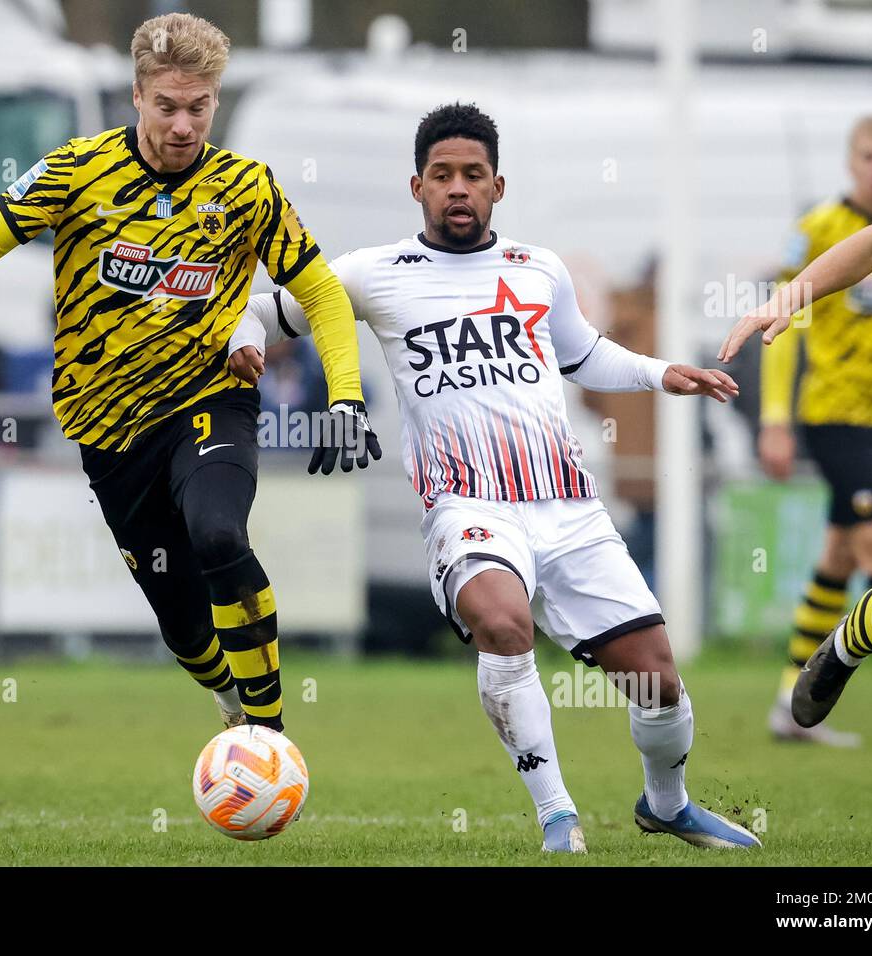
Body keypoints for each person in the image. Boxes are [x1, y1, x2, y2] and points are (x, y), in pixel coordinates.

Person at [229, 103, 757, 852]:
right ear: (417, 186)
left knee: (658, 680)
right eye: (442, 175)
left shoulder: (538, 270)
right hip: (466, 504)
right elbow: (265, 309)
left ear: (497, 186)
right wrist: (244, 342)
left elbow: (582, 355)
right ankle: (557, 816)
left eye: (472, 175)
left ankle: (666, 804)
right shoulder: (372, 272)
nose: (457, 188)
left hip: (567, 506)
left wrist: (659, 372)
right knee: (502, 623)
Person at [0, 13, 378, 732]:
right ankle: (229, 700)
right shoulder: (78, 170)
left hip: (210, 400)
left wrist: (347, 398)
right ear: (137, 96)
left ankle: (268, 734)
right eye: (167, 106)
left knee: (221, 536)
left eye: (198, 107)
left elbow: (322, 291)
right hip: (108, 431)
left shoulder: (246, 188)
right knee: (185, 628)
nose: (182, 125)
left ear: (216, 103)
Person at [721, 160, 872, 735]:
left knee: (843, 549)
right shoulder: (827, 222)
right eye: (871, 157)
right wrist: (790, 298)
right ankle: (857, 647)